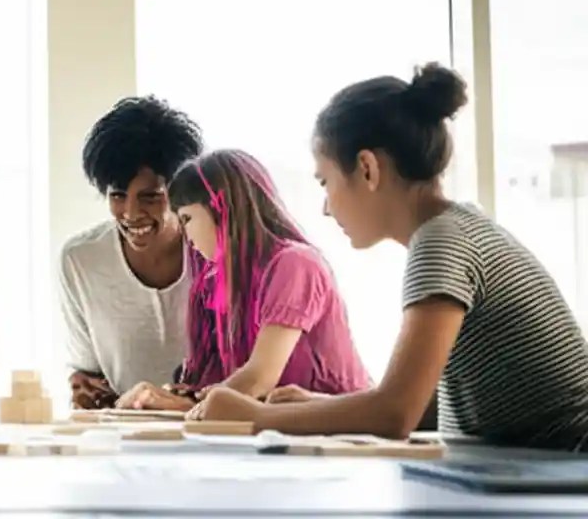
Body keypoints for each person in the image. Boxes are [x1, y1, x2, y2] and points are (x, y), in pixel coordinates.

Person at [196, 64, 588, 451]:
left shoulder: (440, 243)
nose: (325, 208)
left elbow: (394, 414)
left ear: (367, 169)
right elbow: (423, 408)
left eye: (325, 181)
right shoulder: (458, 227)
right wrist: (324, 407)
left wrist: (255, 417)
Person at [118, 149, 369, 410]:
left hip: (343, 428)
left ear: (222, 207)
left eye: (187, 218)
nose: (185, 234)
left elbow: (257, 380)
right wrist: (170, 399)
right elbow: (222, 390)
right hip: (283, 430)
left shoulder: (295, 264)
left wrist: (181, 406)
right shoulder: (215, 286)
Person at [59, 97, 203, 409]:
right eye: (117, 195)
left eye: (150, 197)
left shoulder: (215, 252)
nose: (131, 212)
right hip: (125, 435)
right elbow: (88, 373)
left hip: (214, 430)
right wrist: (86, 389)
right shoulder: (80, 259)